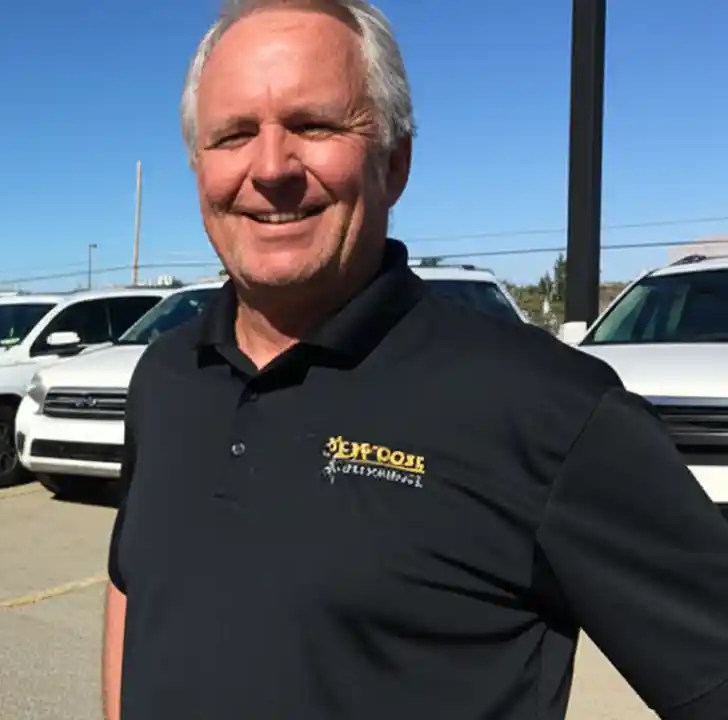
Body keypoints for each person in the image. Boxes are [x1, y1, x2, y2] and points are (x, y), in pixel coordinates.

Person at [101, 1, 728, 718]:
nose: (270, 167)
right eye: (234, 135)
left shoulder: (550, 410)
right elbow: (132, 589)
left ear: (394, 162)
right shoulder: (165, 378)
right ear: (199, 167)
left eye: (313, 125)